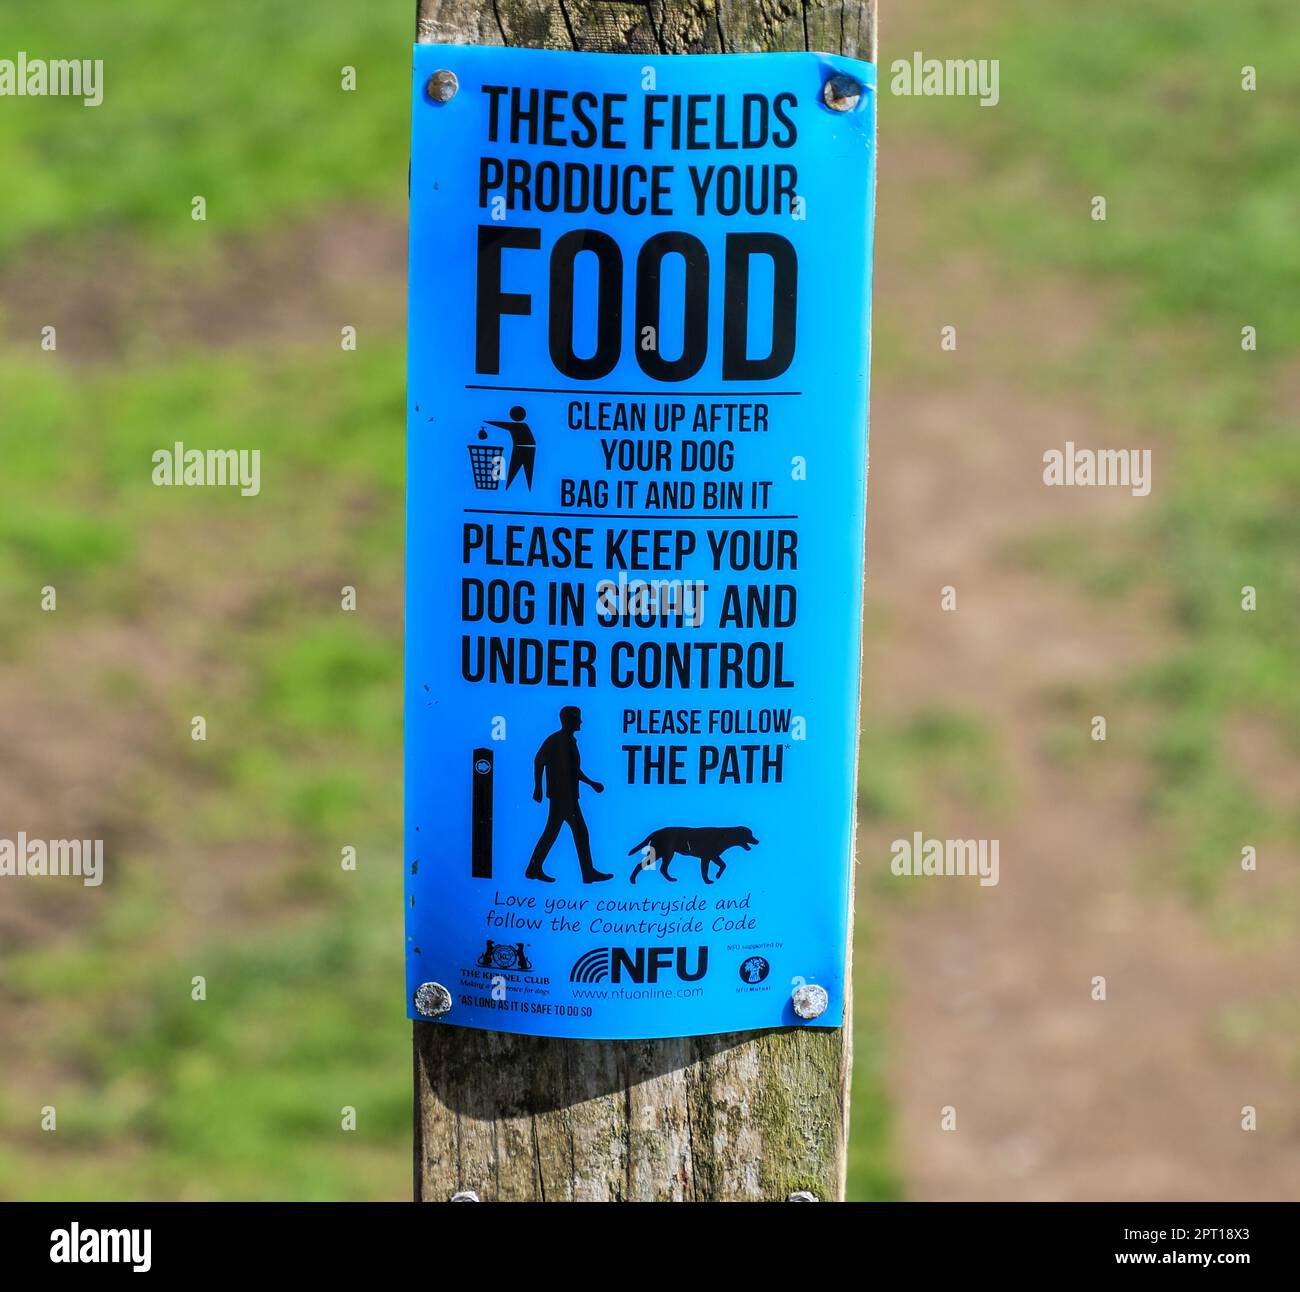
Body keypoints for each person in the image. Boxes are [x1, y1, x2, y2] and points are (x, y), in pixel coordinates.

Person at [526, 706, 611, 883]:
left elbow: (573, 770)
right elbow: (539, 760)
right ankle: (587, 873)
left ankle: (534, 868)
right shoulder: (555, 740)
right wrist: (538, 787)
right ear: (569, 720)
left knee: (556, 832)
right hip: (561, 797)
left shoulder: (570, 741)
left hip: (569, 796)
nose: (581, 722)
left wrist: (591, 783)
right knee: (575, 832)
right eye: (578, 718)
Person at [484, 405, 535, 490]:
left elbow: (504, 425)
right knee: (515, 470)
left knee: (518, 470)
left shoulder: (520, 426)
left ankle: (514, 488)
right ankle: (509, 488)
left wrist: (487, 422)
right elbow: (505, 425)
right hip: (523, 448)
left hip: (524, 448)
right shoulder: (523, 426)